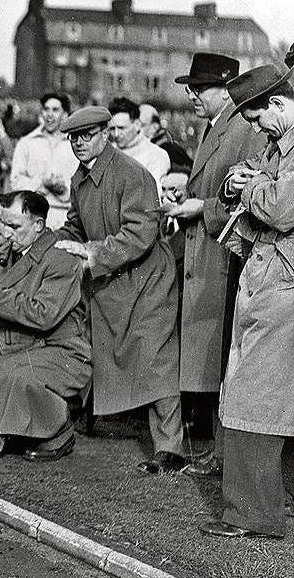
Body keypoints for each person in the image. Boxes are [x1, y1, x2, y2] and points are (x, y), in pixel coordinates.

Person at [53, 106, 185, 474]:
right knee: (105, 344)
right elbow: (75, 225)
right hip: (113, 277)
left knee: (154, 355)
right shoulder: (79, 179)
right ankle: (95, 414)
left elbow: (140, 233)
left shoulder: (133, 174)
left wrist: (93, 253)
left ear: (105, 133)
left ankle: (170, 447)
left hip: (147, 278)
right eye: (72, 138)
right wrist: (49, 243)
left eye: (86, 135)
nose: (78, 143)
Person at [200, 63, 294, 539]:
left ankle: (254, 515)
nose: (254, 129)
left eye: (256, 118)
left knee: (254, 398)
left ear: (276, 103)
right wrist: (248, 181)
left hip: (281, 285)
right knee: (251, 393)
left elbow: (281, 208)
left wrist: (249, 185)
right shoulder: (279, 145)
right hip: (265, 278)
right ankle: (255, 508)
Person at [162, 53, 267, 478]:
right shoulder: (216, 126)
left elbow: (244, 198)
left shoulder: (243, 128)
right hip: (208, 254)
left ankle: (221, 454)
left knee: (227, 356)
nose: (190, 94)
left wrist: (199, 206)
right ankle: (216, 450)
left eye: (198, 87)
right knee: (218, 357)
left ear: (225, 89)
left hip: (228, 259)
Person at [0, 191, 91, 461]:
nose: (6, 233)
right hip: (15, 346)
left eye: (14, 226)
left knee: (8, 373)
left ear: (39, 226)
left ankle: (57, 427)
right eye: (4, 223)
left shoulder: (61, 258)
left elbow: (43, 315)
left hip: (60, 351)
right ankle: (21, 424)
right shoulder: (7, 253)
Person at [9, 92, 78, 229]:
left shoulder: (75, 144)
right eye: (46, 109)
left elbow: (83, 183)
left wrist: (63, 188)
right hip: (33, 217)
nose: (49, 114)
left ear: (65, 114)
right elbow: (15, 180)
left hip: (67, 217)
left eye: (55, 110)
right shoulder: (27, 143)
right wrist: (41, 185)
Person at [108, 97, 170, 188]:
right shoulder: (107, 152)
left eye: (121, 128)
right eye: (112, 129)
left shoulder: (156, 155)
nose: (116, 134)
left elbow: (152, 194)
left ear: (137, 125)